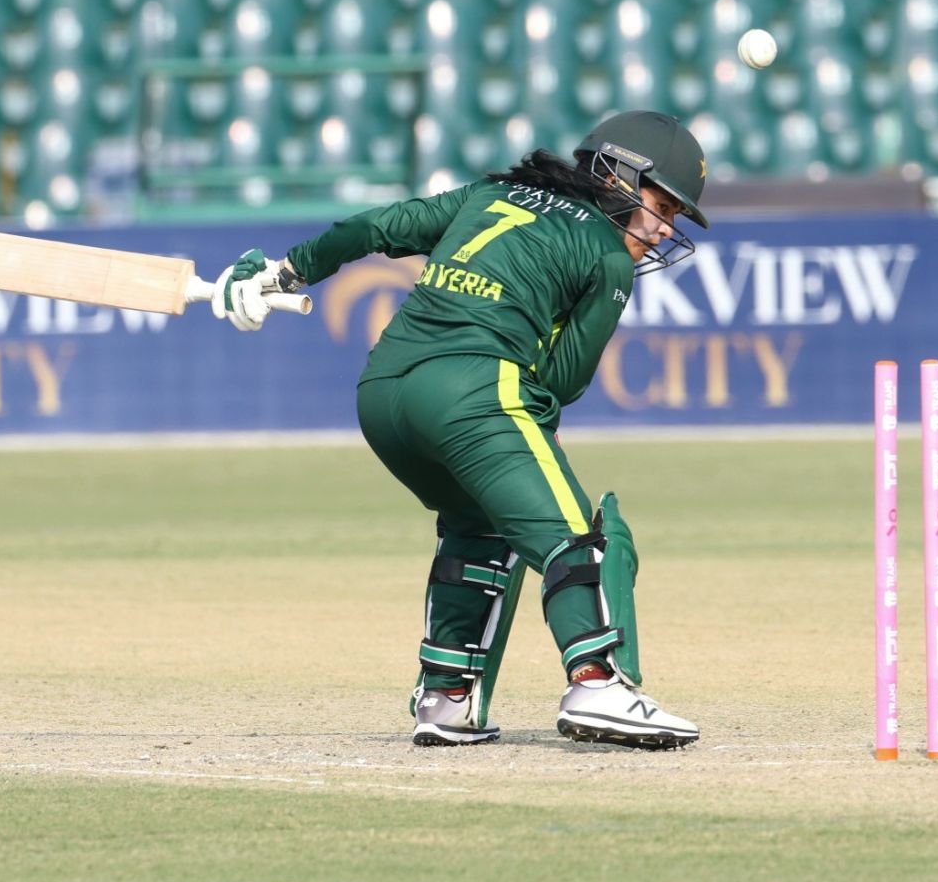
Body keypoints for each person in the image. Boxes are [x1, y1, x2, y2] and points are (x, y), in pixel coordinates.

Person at [213, 110, 708, 749]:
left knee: (480, 525)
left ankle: (447, 698)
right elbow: (561, 382)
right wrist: (534, 427)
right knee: (573, 535)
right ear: (617, 175)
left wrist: (282, 273)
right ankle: (597, 683)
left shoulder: (489, 193)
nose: (662, 227)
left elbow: (373, 229)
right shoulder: (607, 256)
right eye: (660, 204)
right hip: (474, 392)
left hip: (383, 394)